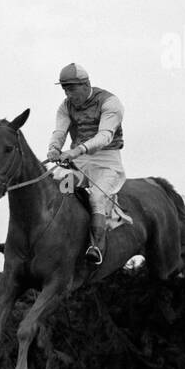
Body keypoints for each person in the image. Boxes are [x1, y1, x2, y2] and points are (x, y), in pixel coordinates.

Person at [45, 63, 126, 265]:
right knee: (56, 186)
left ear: (86, 84)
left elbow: (105, 137)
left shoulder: (110, 102)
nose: (68, 94)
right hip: (79, 160)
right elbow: (60, 131)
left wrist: (76, 151)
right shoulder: (65, 106)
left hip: (107, 160)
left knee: (97, 198)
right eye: (65, 89)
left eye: (71, 89)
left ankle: (96, 247)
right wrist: (54, 148)